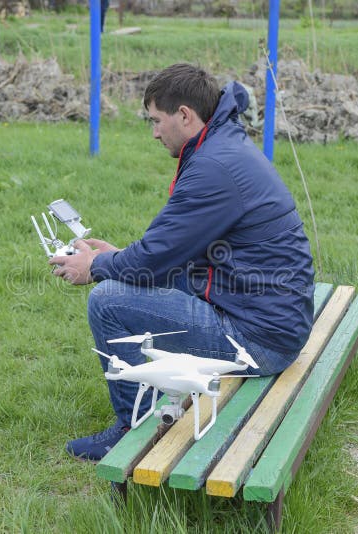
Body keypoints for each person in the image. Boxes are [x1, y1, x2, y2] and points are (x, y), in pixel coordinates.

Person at [50, 63, 315, 462]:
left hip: (259, 339)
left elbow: (158, 254)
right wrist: (117, 258)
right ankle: (149, 409)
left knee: (106, 300)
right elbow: (171, 251)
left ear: (185, 115)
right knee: (131, 281)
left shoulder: (213, 166)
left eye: (157, 120)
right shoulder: (221, 144)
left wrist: (96, 267)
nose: (154, 132)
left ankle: (134, 430)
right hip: (267, 312)